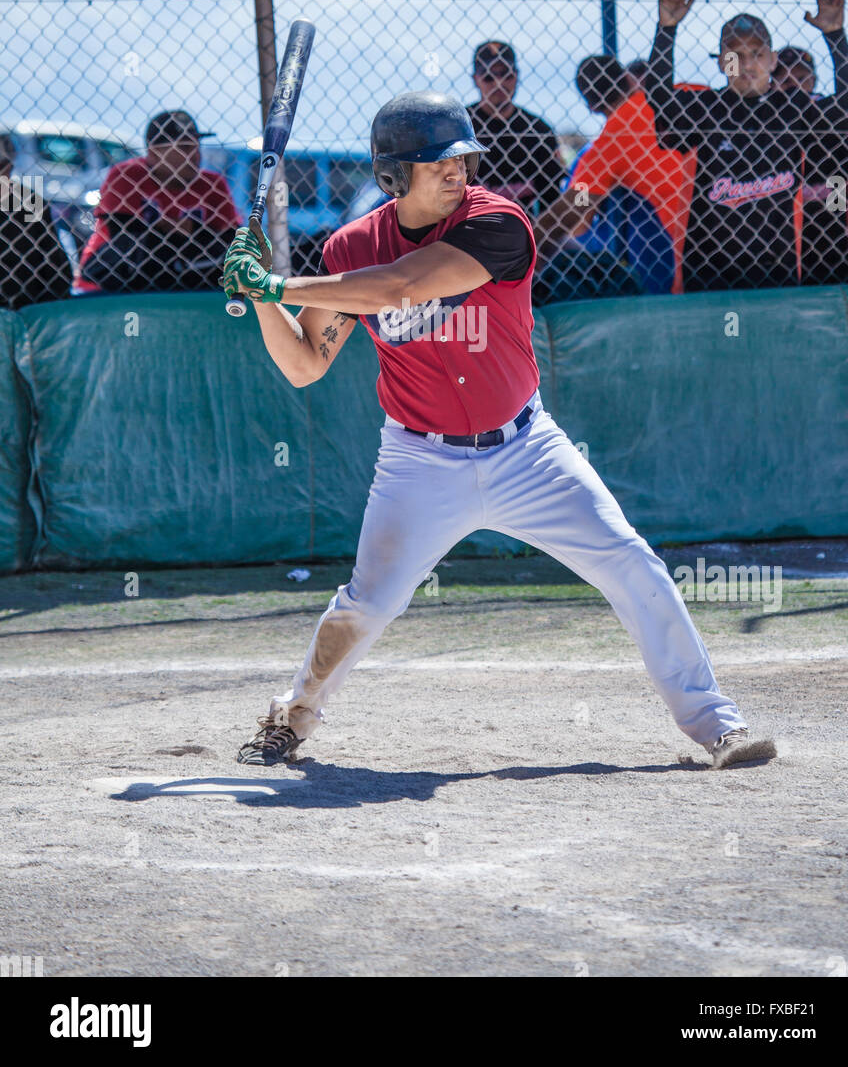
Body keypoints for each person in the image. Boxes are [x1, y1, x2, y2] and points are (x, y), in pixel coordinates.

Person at [222, 89, 776, 773]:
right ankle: (292, 716)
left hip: (526, 450)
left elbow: (398, 289)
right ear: (394, 174)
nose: (458, 170)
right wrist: (258, 300)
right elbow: (305, 366)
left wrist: (279, 285)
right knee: (366, 606)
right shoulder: (352, 248)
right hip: (418, 463)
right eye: (438, 162)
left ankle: (716, 724)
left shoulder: (498, 223)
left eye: (462, 157)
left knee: (632, 566)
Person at [643, 0, 848, 293]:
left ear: (773, 61)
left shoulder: (793, 108)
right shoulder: (707, 107)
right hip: (709, 270)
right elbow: (658, 97)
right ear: (722, 62)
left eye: (757, 54)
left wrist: (835, 35)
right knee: (719, 337)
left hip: (778, 267)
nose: (746, 65)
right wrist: (666, 30)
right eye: (735, 56)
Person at [535, 55, 692, 297]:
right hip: (718, 232)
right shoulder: (676, 99)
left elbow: (571, 218)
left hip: (673, 260)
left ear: (591, 107)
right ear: (630, 79)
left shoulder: (607, 147)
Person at [75, 111, 240, 294]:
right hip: (113, 282)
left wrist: (192, 228)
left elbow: (231, 240)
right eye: (184, 147)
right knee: (151, 246)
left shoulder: (212, 184)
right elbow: (120, 232)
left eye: (196, 146)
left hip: (188, 280)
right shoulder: (127, 175)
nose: (194, 155)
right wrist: (167, 230)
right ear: (154, 153)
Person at [772, 11, 848, 287]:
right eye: (785, 80)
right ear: (771, 83)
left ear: (813, 81)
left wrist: (835, 36)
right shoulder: (761, 121)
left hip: (832, 238)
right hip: (774, 241)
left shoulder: (829, 113)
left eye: (801, 78)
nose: (794, 86)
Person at [467, 41, 564, 215]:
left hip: (524, 227)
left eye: (506, 74)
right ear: (475, 79)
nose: (499, 83)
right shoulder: (460, 126)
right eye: (489, 76)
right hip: (468, 225)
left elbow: (552, 199)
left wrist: (537, 236)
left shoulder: (538, 130)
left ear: (517, 76)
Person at [0, 133, 72, 309]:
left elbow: (57, 272)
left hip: (25, 304)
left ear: (8, 168)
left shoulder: (28, 202)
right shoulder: (27, 200)